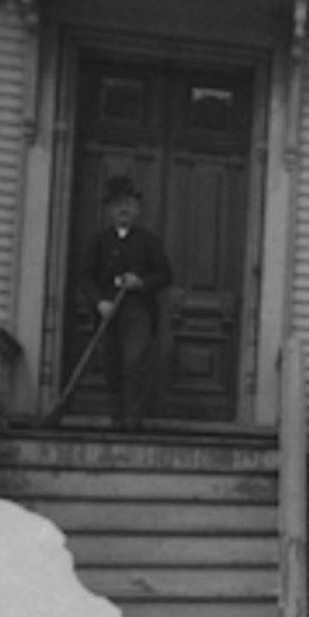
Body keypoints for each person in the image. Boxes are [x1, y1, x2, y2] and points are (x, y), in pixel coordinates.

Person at [78, 175, 174, 431]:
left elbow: (165, 274)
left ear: (137, 209)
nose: (123, 209)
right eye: (118, 204)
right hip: (107, 313)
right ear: (110, 210)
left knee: (134, 362)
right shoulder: (99, 241)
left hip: (137, 313)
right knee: (111, 365)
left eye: (128, 204)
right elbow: (86, 277)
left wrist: (140, 282)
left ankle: (133, 420)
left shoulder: (149, 241)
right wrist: (99, 302)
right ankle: (117, 420)